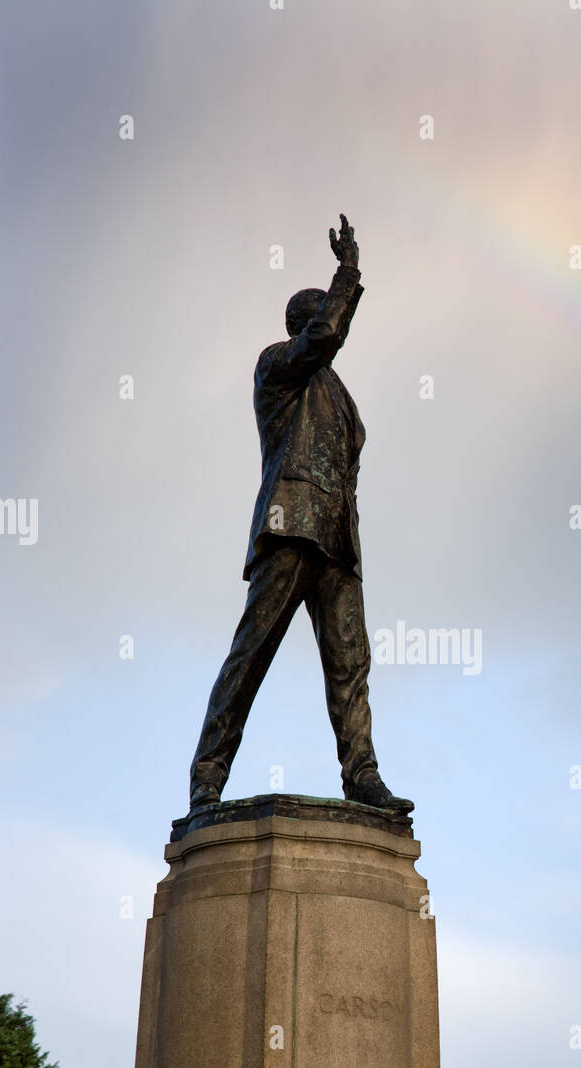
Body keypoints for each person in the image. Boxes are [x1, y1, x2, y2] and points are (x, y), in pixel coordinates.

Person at [189, 215, 413, 815]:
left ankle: (362, 777)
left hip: (338, 542)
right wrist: (348, 272)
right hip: (290, 525)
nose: (331, 325)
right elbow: (326, 337)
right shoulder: (277, 368)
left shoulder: (341, 399)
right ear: (305, 325)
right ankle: (207, 776)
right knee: (252, 653)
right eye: (322, 317)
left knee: (351, 666)